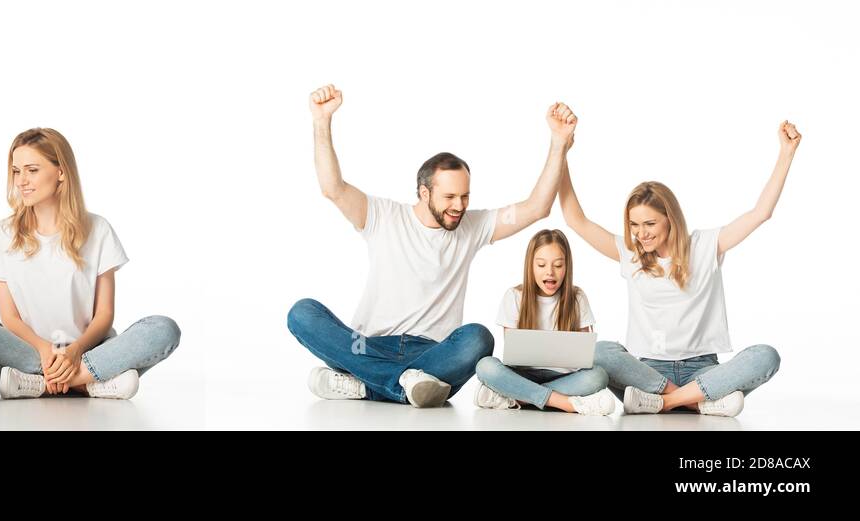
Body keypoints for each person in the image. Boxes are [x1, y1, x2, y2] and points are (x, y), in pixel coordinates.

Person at [288, 84, 578, 408]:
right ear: (424, 193)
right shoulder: (382, 216)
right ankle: (401, 382)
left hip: (433, 354)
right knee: (302, 313)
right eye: (450, 197)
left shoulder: (473, 226)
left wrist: (558, 143)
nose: (459, 205)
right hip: (366, 346)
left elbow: (537, 207)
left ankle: (366, 385)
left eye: (465, 196)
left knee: (478, 338)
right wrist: (321, 120)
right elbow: (332, 188)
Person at [558, 121, 799, 417]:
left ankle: (666, 403)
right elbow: (575, 220)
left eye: (649, 224)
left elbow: (761, 213)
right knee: (599, 351)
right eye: (634, 225)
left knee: (766, 356)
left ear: (670, 219)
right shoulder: (631, 254)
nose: (641, 233)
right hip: (648, 372)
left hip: (704, 368)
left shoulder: (706, 245)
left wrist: (786, 154)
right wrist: (561, 152)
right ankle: (699, 402)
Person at [0, 128, 181, 400]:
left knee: (163, 329)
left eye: (32, 170)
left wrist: (75, 353)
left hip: (90, 349)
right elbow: (10, 318)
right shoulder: (0, 235)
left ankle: (43, 383)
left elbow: (104, 315)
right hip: (30, 350)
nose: (21, 181)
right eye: (16, 171)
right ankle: (91, 383)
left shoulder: (98, 230)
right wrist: (43, 350)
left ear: (61, 171)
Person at [473, 229, 616, 415]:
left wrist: (518, 388)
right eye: (541, 265)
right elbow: (513, 349)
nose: (550, 272)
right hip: (522, 374)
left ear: (567, 266)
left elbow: (584, 353)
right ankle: (562, 402)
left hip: (564, 376)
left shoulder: (577, 297)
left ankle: (517, 397)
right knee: (485, 366)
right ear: (530, 266)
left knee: (598, 376)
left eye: (558, 265)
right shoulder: (515, 296)